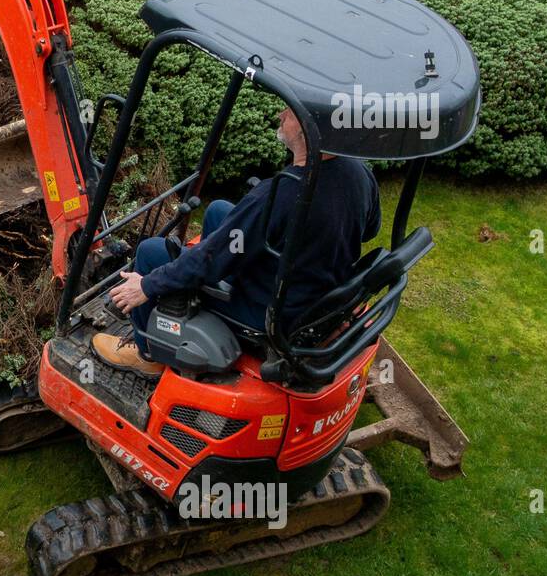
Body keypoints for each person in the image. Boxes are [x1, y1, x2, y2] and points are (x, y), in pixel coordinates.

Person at [92, 107, 381, 376]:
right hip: (313, 288)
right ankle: (193, 305)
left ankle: (148, 353)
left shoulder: (280, 195)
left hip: (271, 314)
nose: (280, 115)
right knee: (219, 209)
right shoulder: (358, 172)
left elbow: (208, 261)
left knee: (151, 252)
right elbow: (370, 229)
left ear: (307, 129)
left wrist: (146, 285)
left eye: (289, 113)